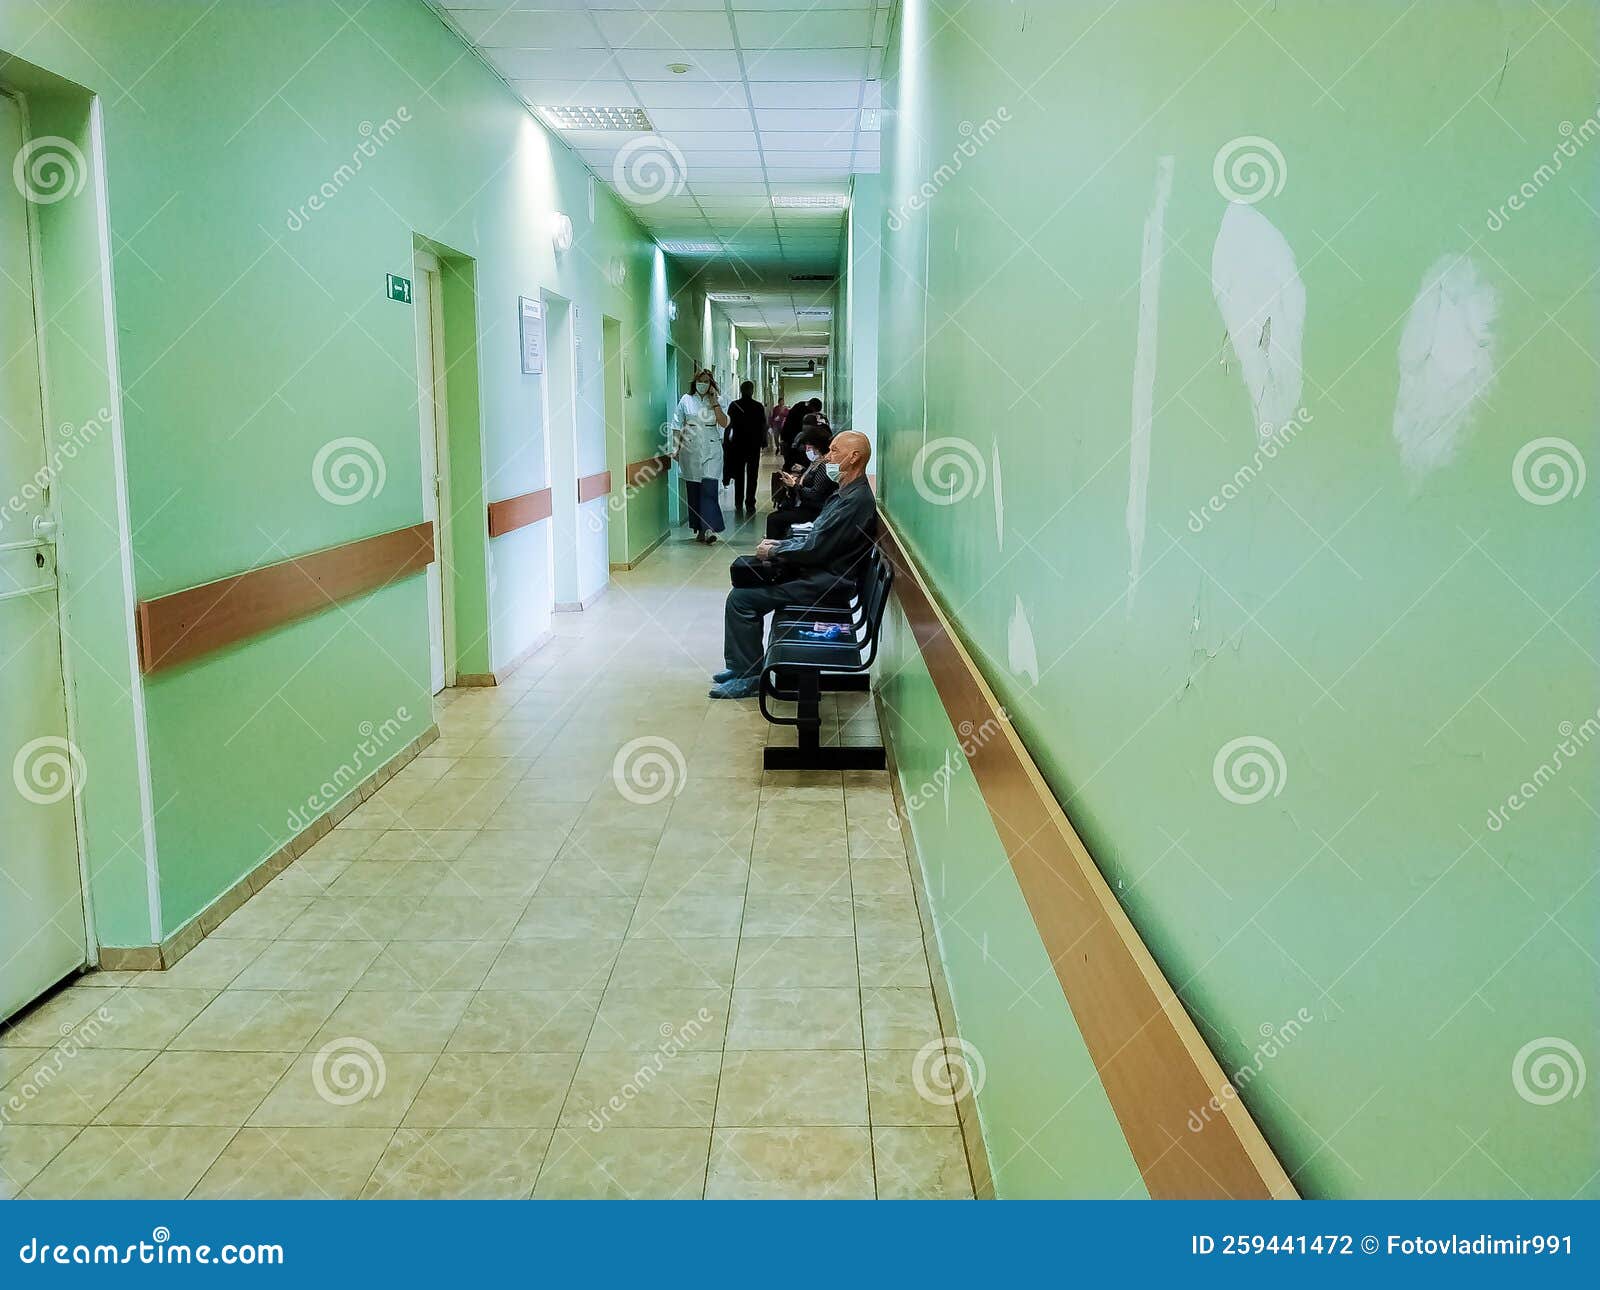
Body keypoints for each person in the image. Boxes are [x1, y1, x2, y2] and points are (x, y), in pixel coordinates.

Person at [711, 431, 876, 699]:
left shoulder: (855, 501)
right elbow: (819, 539)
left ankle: (750, 676)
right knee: (745, 584)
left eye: (834, 451)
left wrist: (776, 549)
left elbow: (815, 549)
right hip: (820, 573)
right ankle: (742, 668)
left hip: (826, 583)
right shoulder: (846, 492)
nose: (828, 457)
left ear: (854, 457)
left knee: (742, 599)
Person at [672, 368, 729, 543]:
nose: (702, 384)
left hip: (712, 448)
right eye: (700, 381)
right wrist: (676, 448)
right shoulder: (686, 400)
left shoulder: (719, 400)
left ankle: (710, 529)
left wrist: (714, 403)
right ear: (694, 383)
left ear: (711, 383)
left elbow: (724, 422)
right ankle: (700, 529)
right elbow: (676, 425)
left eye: (706, 381)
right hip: (690, 449)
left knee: (709, 488)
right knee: (694, 490)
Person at [767, 425, 836, 537]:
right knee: (783, 509)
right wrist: (802, 472)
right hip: (808, 505)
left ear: (817, 447)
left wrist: (794, 485)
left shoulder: (823, 465)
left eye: (809, 447)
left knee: (773, 519)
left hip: (813, 510)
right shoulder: (817, 462)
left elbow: (815, 494)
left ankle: (773, 548)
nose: (806, 450)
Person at [723, 380, 767, 517]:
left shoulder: (734, 405)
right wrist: (763, 442)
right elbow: (762, 426)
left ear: (740, 391)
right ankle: (750, 503)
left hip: (737, 445)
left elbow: (728, 425)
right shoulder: (758, 407)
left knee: (739, 475)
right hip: (753, 445)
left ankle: (738, 501)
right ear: (752, 391)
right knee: (752, 475)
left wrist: (726, 442)